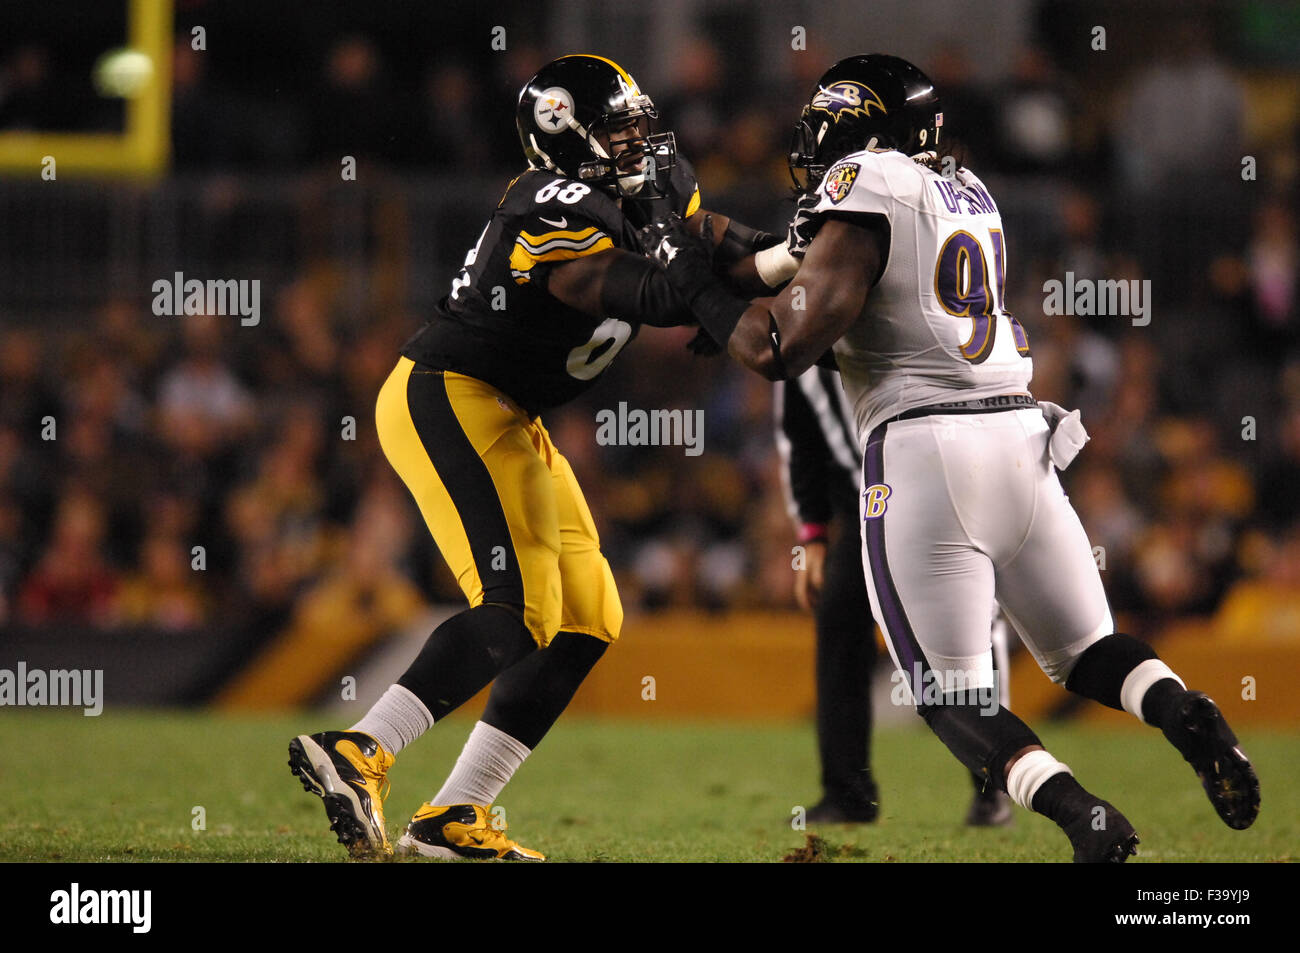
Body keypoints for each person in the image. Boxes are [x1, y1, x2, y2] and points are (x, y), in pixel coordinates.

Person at [644, 54, 1260, 861]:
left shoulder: (864, 182)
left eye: (828, 133)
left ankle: (1086, 816)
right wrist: (701, 244)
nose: (818, 154)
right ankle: (1185, 711)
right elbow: (819, 277)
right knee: (1085, 652)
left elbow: (780, 348)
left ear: (863, 134)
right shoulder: (965, 191)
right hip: (1019, 441)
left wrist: (702, 295)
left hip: (927, 454)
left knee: (944, 692)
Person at [287, 54, 776, 861]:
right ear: (566, 135)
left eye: (638, 123)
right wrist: (726, 305)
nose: (639, 141)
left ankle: (453, 818)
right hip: (451, 393)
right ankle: (360, 748)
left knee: (588, 615)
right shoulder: (549, 206)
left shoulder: (641, 187)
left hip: (512, 410)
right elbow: (655, 293)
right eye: (618, 128)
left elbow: (712, 239)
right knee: (518, 609)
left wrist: (796, 249)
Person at [778, 365, 1013, 826]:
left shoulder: (892, 325)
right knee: (839, 619)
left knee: (969, 635)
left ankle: (995, 783)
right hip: (864, 509)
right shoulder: (800, 347)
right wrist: (813, 534)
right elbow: (802, 441)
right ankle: (847, 793)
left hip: (937, 498)